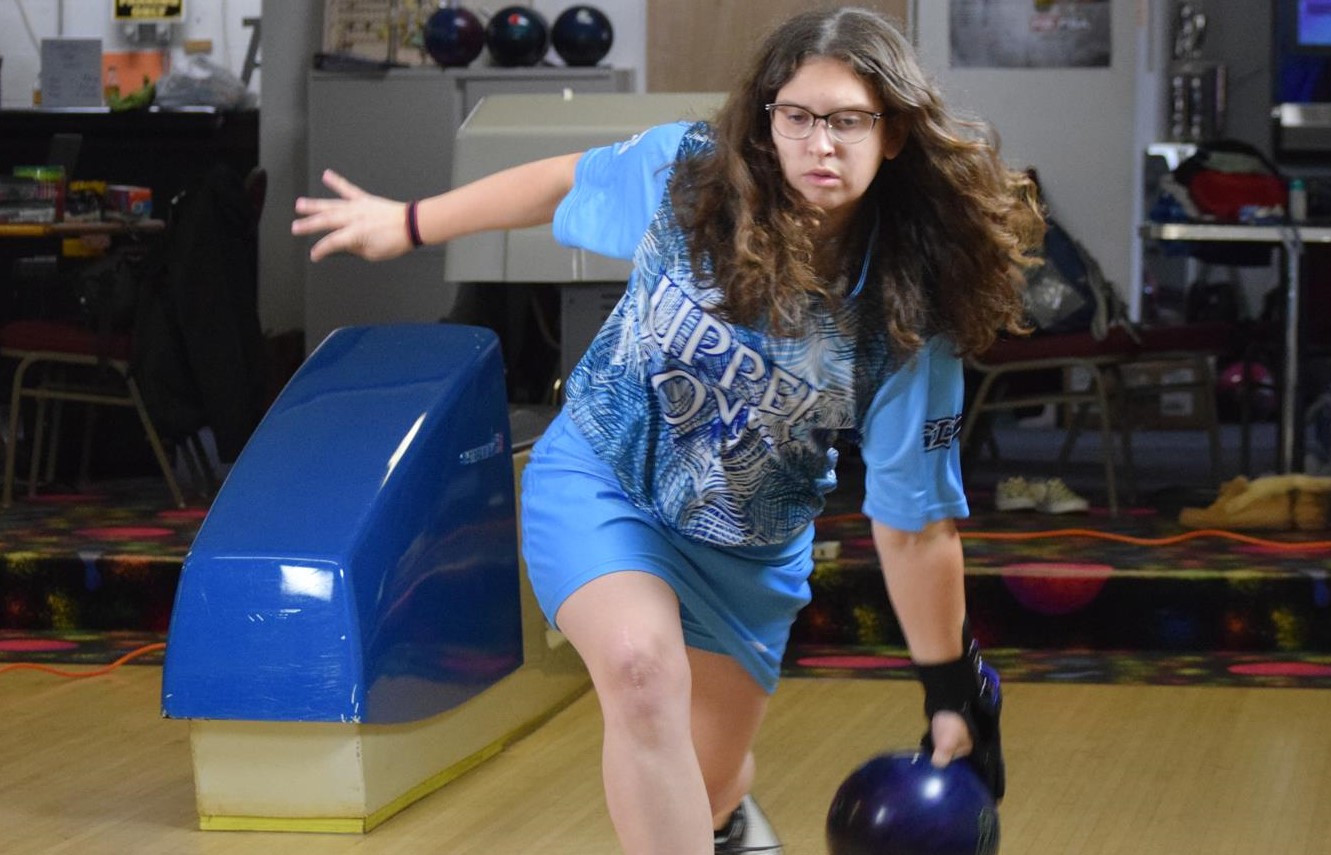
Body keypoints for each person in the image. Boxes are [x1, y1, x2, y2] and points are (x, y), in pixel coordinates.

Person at [292, 7, 1044, 853]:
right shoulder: (694, 177)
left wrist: (948, 683)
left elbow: (915, 524)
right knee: (641, 672)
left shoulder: (906, 308)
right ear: (768, 118)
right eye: (796, 116)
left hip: (746, 552)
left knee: (707, 780)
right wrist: (411, 222)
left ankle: (726, 818)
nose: (819, 144)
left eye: (847, 121)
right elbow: (561, 181)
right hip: (604, 480)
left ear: (895, 132)